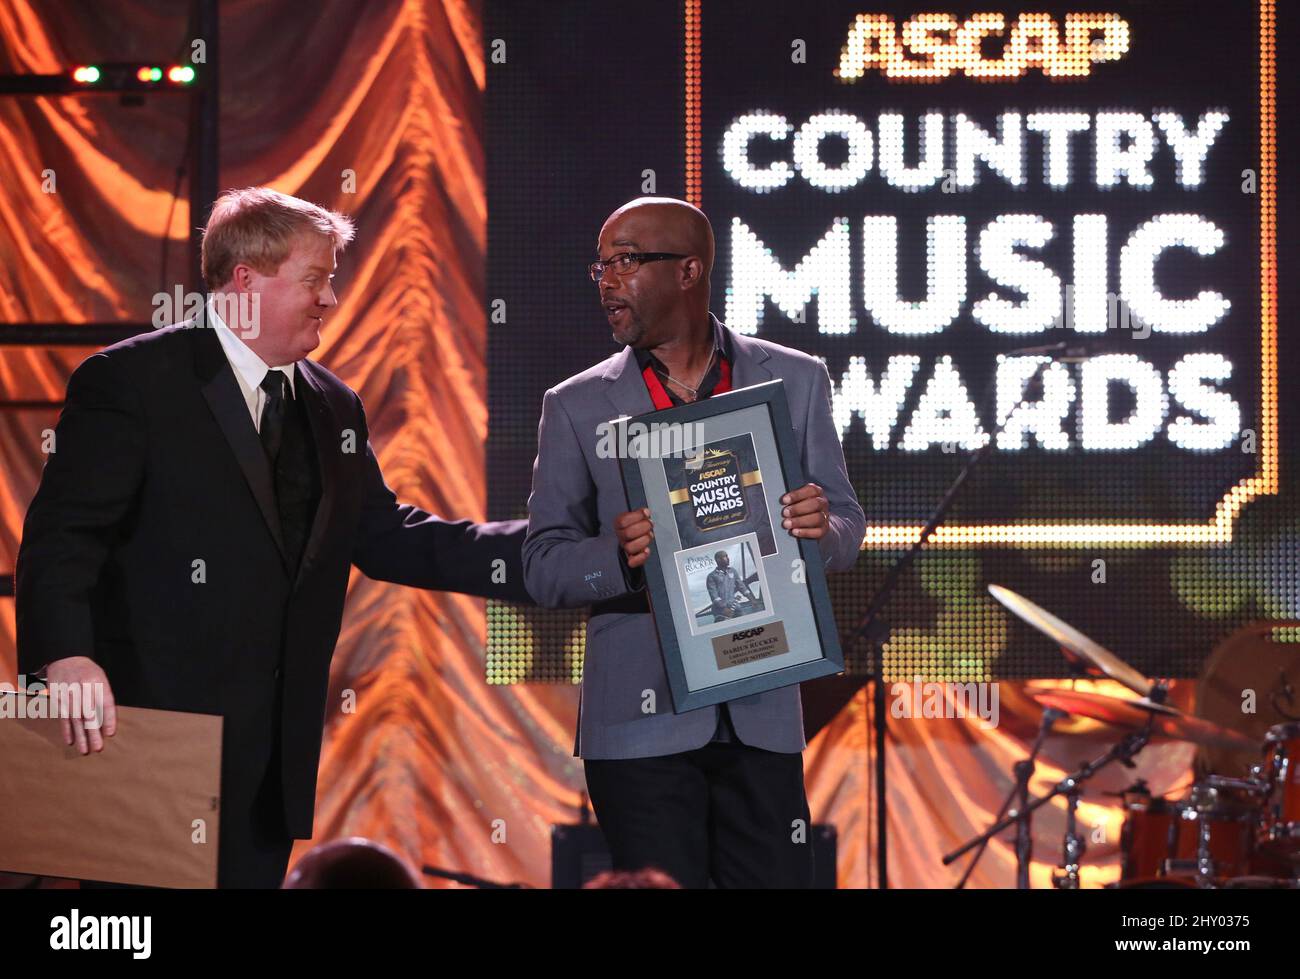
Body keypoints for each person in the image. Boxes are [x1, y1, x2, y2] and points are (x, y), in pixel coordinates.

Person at [16, 187, 530, 888]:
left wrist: (551, 549)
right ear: (245, 280)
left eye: (333, 280)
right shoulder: (132, 380)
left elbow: (389, 536)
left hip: (268, 764)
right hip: (150, 739)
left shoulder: (333, 404)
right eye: (316, 279)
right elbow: (63, 536)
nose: (332, 299)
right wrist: (67, 657)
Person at [523, 197, 865, 888]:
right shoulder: (576, 404)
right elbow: (543, 563)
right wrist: (616, 556)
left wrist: (816, 529)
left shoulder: (794, 379)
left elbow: (847, 524)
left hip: (761, 711)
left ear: (688, 269)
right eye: (601, 265)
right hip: (639, 726)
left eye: (624, 260)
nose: (606, 280)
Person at [706, 550, 757, 622]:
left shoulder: (733, 571)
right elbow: (714, 595)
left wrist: (752, 600)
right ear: (718, 559)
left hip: (735, 607)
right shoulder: (711, 576)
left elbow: (741, 586)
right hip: (720, 610)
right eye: (725, 556)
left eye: (727, 556)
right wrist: (724, 608)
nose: (728, 558)